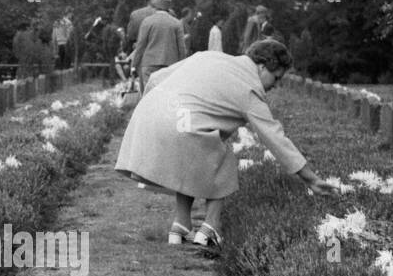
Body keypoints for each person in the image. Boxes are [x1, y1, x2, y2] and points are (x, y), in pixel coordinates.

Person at [114, 37, 338, 256]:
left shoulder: (209, 57)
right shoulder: (249, 89)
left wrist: (152, 111)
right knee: (222, 158)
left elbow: (155, 77)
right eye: (276, 78)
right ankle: (210, 228)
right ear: (262, 67)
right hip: (183, 124)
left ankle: (180, 225)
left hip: (152, 115)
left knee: (194, 154)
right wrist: (311, 179)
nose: (275, 85)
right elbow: (276, 139)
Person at [131, 0, 186, 89]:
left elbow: (141, 46)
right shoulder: (176, 23)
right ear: (168, 8)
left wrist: (134, 65)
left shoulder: (147, 21)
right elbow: (182, 48)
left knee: (148, 95)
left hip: (149, 63)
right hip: (170, 64)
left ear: (155, 7)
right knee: (166, 93)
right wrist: (181, 65)